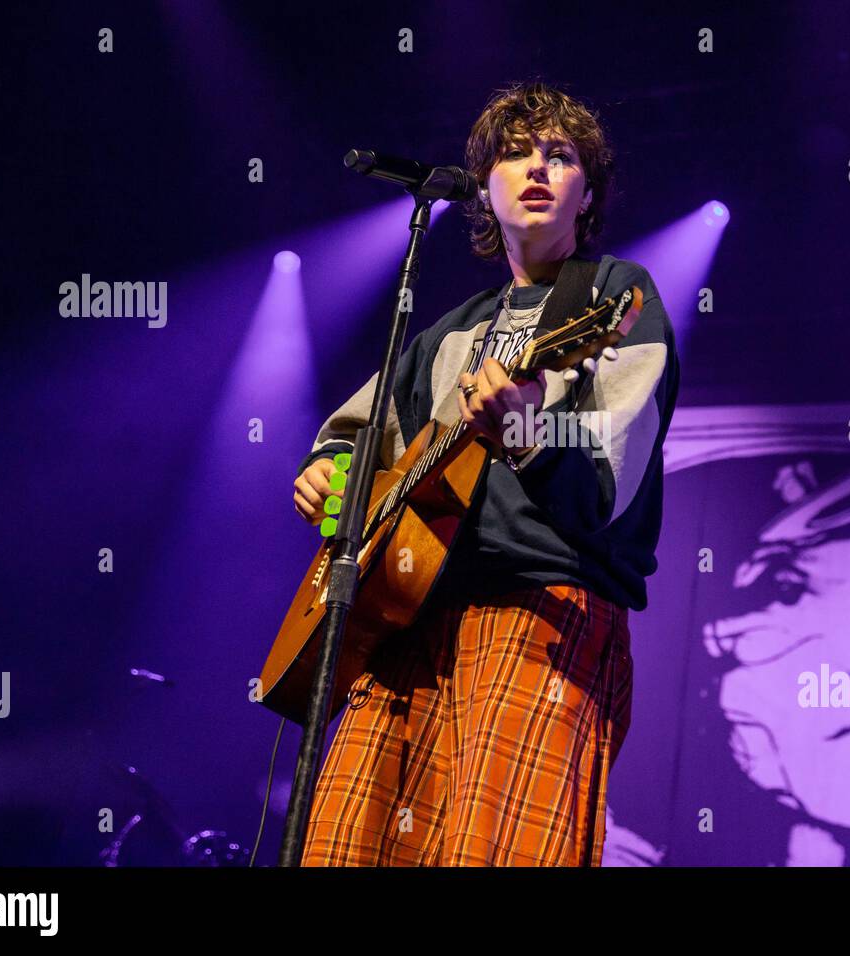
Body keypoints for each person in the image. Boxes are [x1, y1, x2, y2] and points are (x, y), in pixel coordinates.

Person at [291, 80, 680, 866]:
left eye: (561, 156)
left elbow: (608, 479)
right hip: (404, 620)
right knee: (342, 848)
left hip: (538, 612)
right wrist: (329, 474)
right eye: (515, 153)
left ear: (588, 194)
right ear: (482, 189)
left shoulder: (612, 297)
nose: (537, 168)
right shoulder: (449, 332)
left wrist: (526, 430)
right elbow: (354, 433)